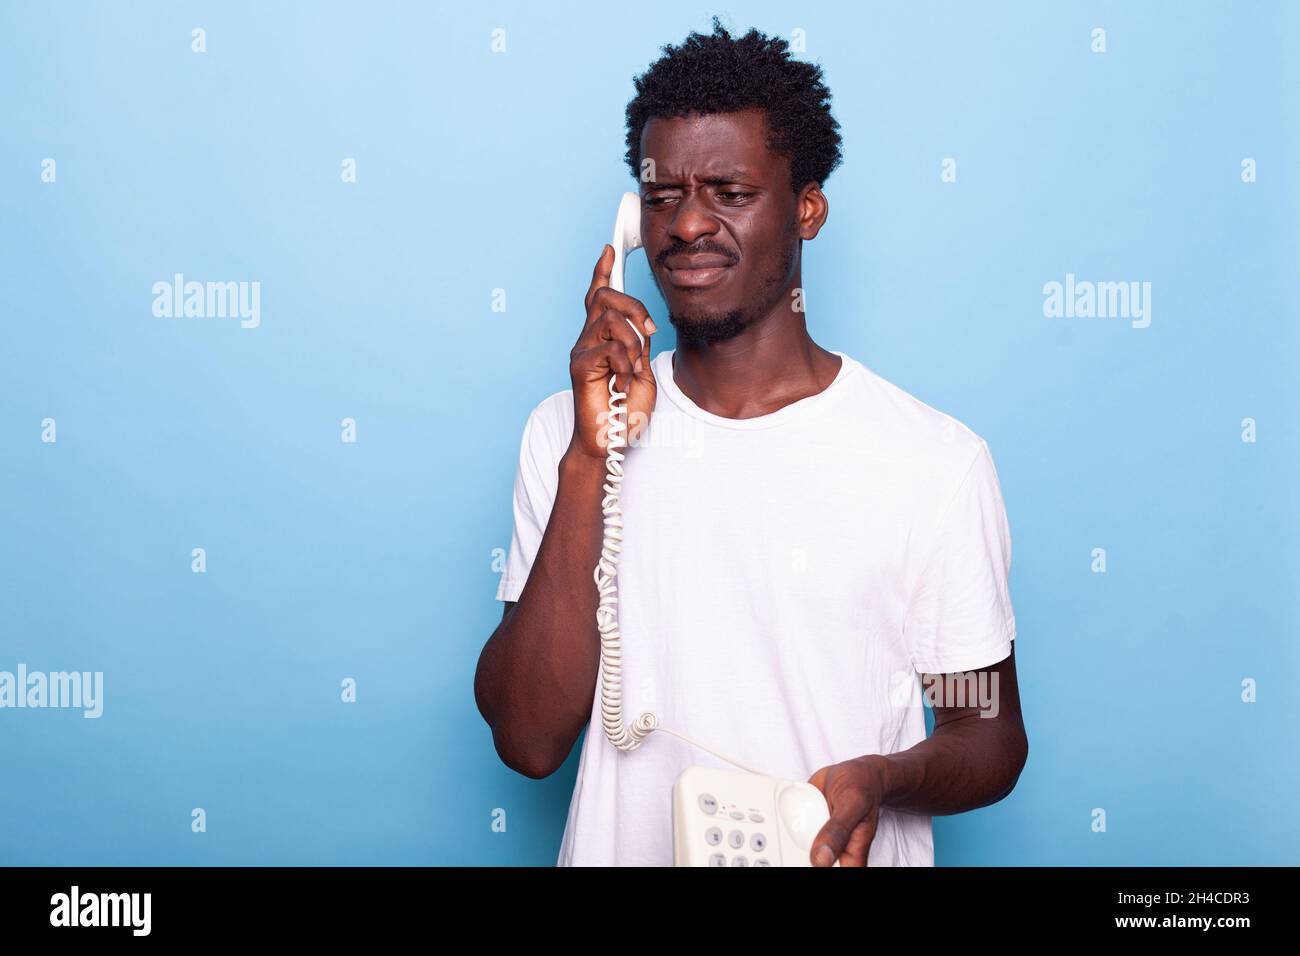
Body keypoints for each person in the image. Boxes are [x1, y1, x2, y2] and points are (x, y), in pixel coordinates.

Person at [474, 19, 1028, 867]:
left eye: (729, 192)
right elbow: (528, 738)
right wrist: (591, 459)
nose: (687, 224)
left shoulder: (932, 463)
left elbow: (985, 733)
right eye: (662, 196)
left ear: (807, 209)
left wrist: (880, 777)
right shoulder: (566, 435)